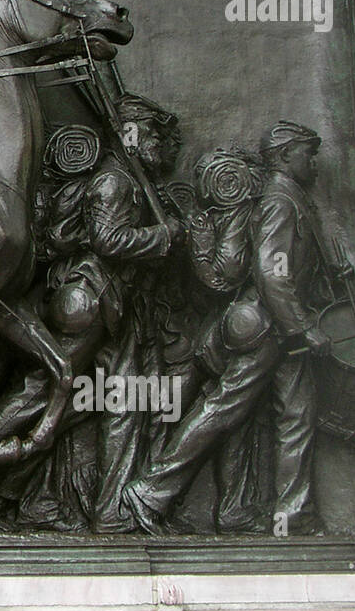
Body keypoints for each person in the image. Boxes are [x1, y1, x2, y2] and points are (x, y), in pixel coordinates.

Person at [124, 122, 343, 536]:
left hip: (280, 331)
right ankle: (151, 490)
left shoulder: (289, 198)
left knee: (296, 415)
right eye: (306, 153)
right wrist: (301, 329)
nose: (313, 162)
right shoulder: (279, 200)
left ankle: (294, 513)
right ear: (283, 156)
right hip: (269, 328)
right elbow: (270, 271)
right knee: (223, 411)